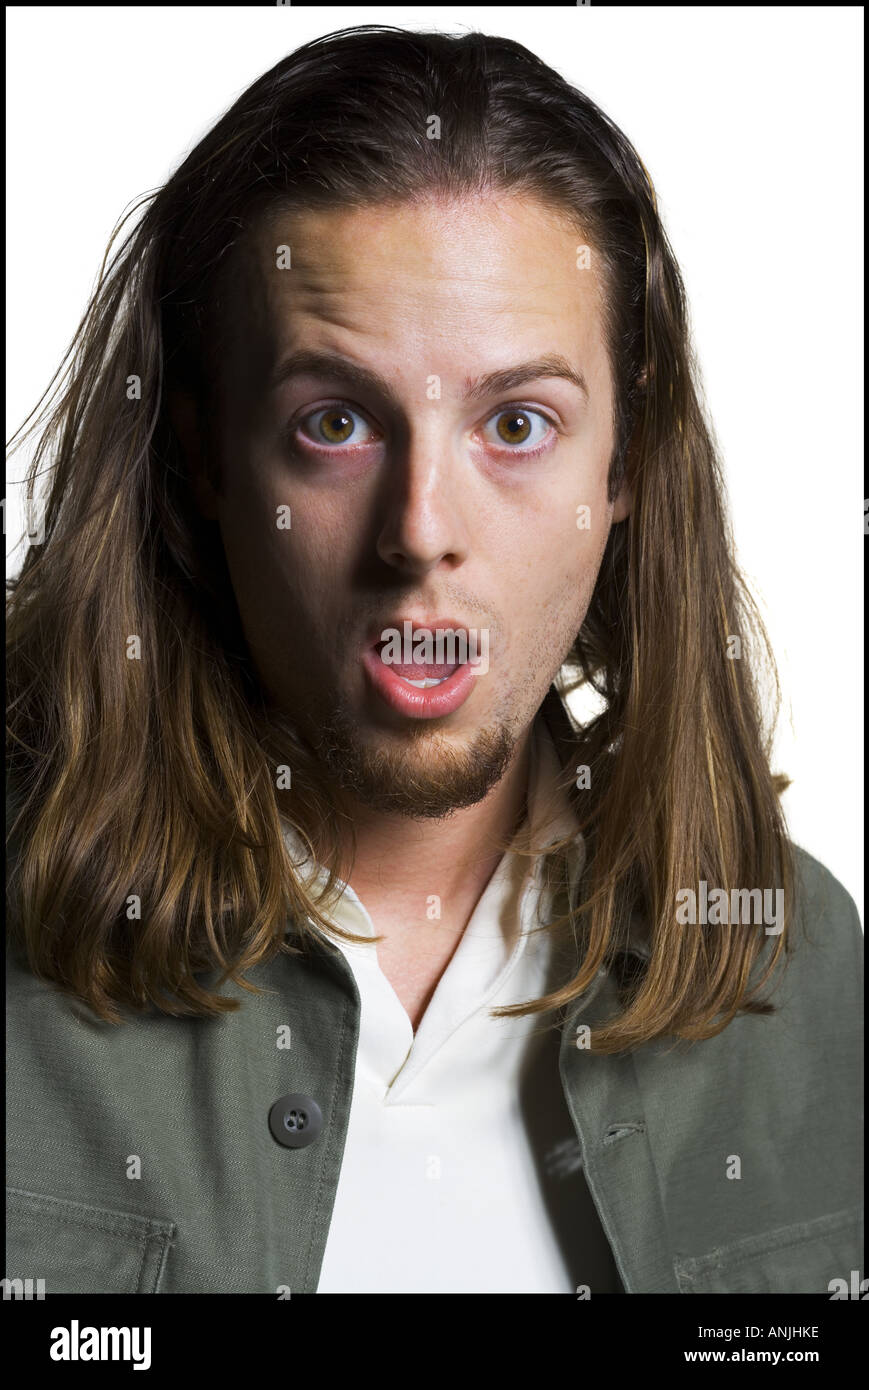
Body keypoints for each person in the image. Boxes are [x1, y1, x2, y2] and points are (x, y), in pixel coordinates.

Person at [5, 25, 862, 1295]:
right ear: (202, 458)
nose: (421, 536)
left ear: (621, 466)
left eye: (516, 424)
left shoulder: (793, 967)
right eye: (336, 423)